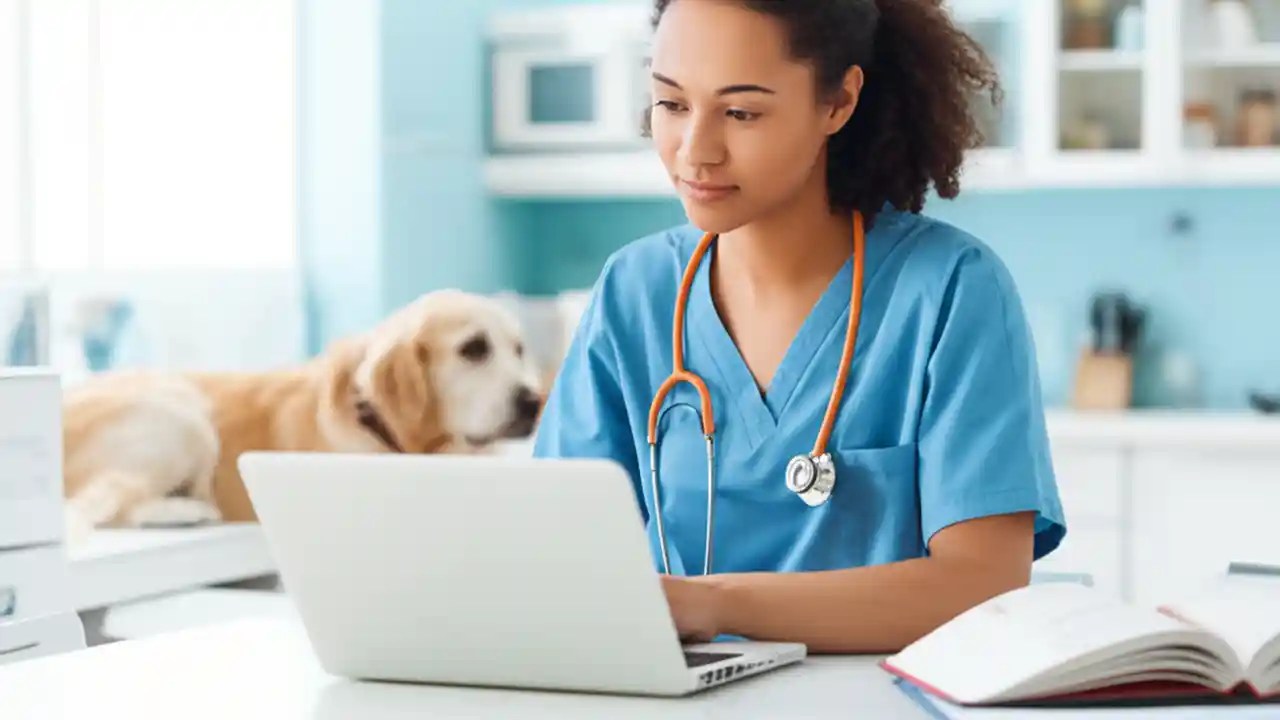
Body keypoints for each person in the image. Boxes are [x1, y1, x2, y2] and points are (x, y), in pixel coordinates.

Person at [532, 0, 1066, 654]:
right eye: (671, 105)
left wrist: (715, 603)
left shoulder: (951, 289)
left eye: (741, 112)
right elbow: (559, 558)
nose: (696, 151)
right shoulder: (633, 292)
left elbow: (984, 585)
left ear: (838, 101)